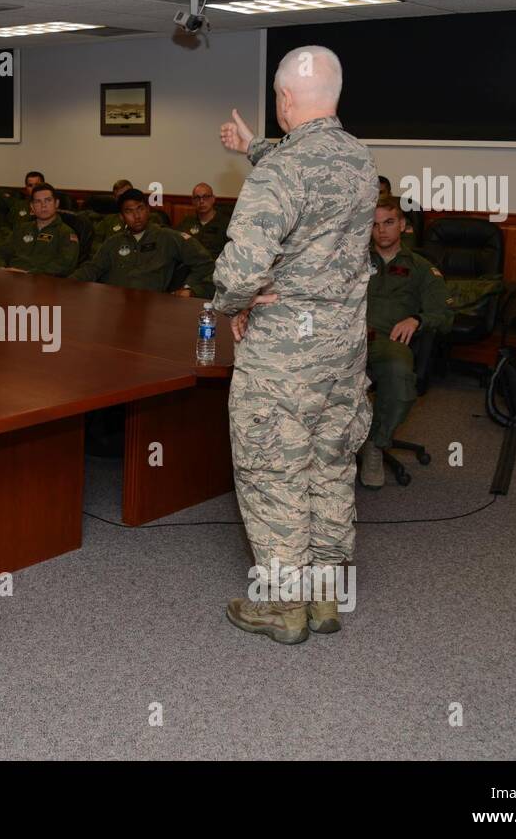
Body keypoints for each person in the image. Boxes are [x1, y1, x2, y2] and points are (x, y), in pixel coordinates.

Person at [214, 44, 377, 644]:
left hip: (284, 357)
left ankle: (283, 606)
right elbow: (314, 175)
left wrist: (229, 306)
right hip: (344, 351)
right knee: (330, 465)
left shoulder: (278, 172)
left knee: (274, 470)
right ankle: (326, 598)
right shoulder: (360, 160)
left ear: (284, 99)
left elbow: (237, 272)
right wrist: (252, 145)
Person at [359, 196, 454, 488]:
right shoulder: (352, 260)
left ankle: (376, 443)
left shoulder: (421, 268)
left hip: (388, 342)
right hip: (346, 339)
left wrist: (418, 319)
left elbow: (445, 312)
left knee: (400, 379)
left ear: (402, 225)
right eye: (374, 225)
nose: (382, 231)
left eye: (389, 223)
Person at [70, 188, 212, 297]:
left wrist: (190, 289)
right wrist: (64, 285)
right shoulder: (113, 242)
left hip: (152, 307)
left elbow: (205, 263)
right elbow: (91, 269)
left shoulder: (168, 237)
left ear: (148, 210)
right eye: (129, 211)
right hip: (113, 304)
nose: (136, 216)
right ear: (121, 216)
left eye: (140, 208)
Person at [0, 182, 79, 276]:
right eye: (38, 201)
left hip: (42, 282)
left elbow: (65, 265)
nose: (43, 205)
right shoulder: (21, 229)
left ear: (56, 203)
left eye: (48, 200)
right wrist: (1, 268)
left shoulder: (66, 233)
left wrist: (30, 274)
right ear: (32, 206)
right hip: (11, 277)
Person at [176, 183, 231, 259]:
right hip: (189, 265)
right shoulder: (187, 222)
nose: (201, 201)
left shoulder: (225, 224)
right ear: (193, 201)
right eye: (197, 198)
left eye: (206, 197)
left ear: (213, 199)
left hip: (213, 266)